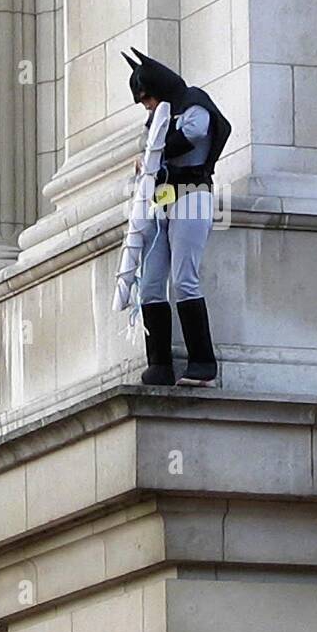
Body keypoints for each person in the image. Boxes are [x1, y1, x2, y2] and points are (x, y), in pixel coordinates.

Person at [123, 49, 232, 385]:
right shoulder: (157, 119)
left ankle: (202, 363)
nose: (147, 106)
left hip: (191, 194)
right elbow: (150, 150)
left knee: (184, 277)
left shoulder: (192, 103)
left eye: (148, 98)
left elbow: (194, 135)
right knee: (151, 282)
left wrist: (156, 151)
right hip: (160, 199)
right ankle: (159, 363)